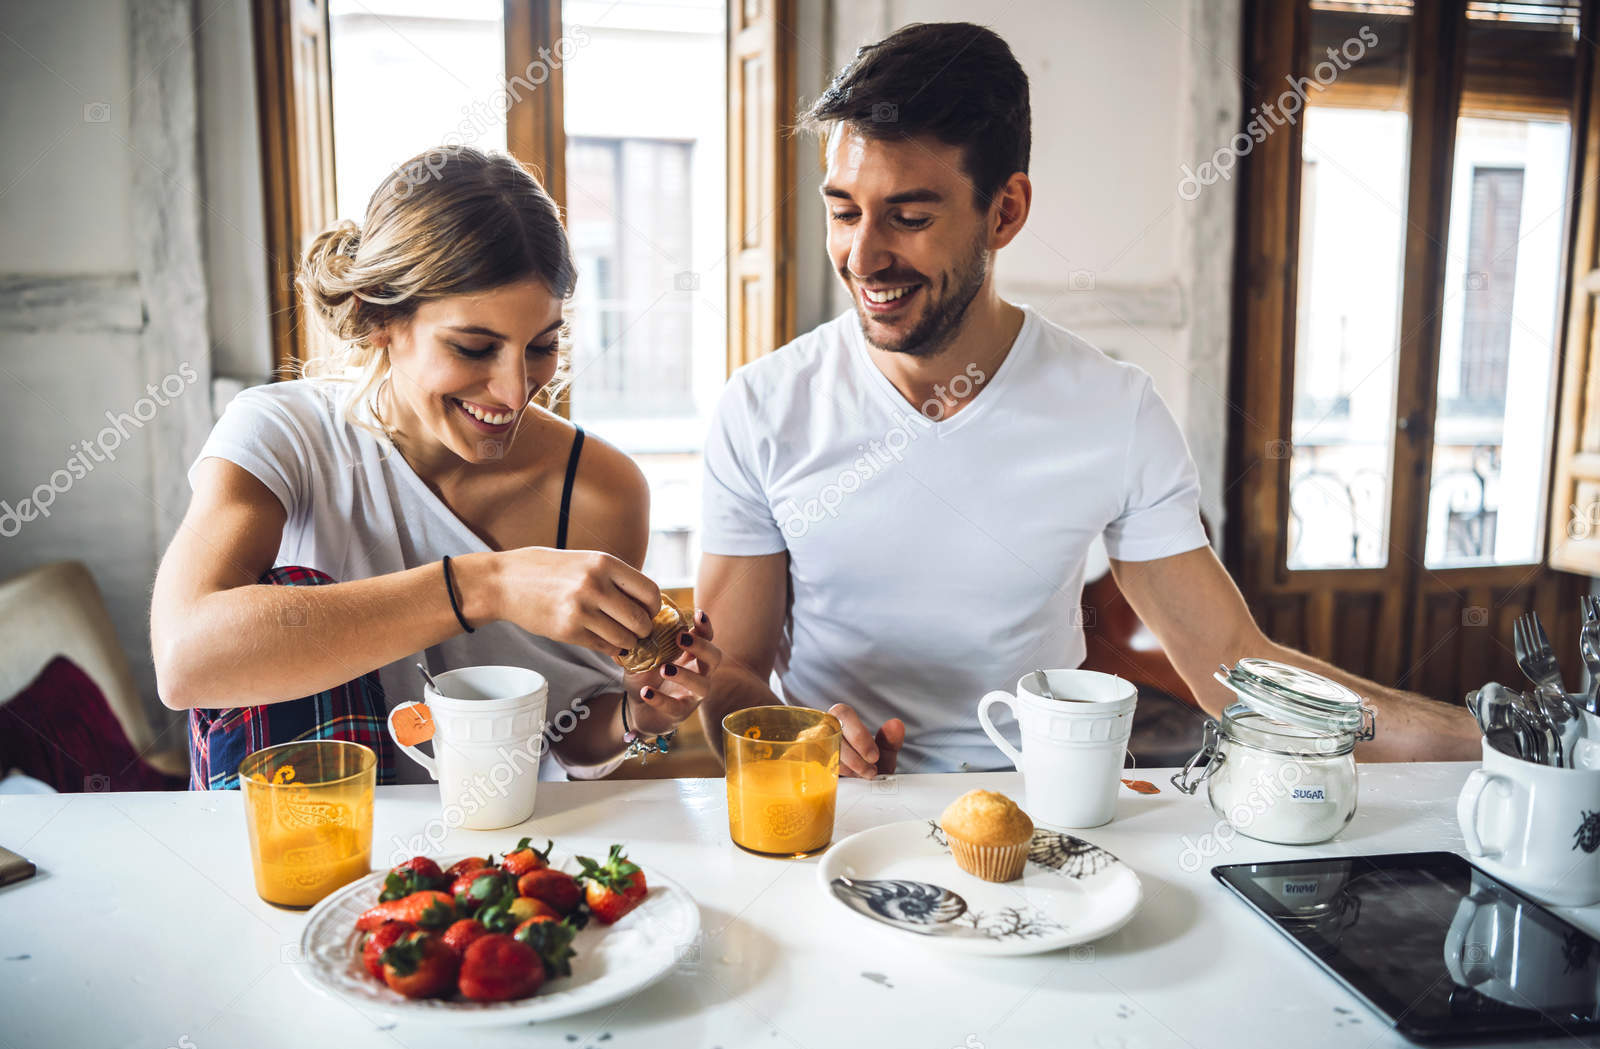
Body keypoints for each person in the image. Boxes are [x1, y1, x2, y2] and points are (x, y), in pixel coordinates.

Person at [696, 22, 1477, 777]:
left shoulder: (1115, 409)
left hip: (1048, 820)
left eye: (910, 217)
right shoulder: (763, 409)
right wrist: (798, 740)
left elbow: (1234, 671)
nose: (862, 256)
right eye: (843, 212)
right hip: (830, 815)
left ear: (1005, 211)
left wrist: (1481, 744)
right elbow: (730, 673)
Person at [152, 147, 720, 785]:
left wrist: (635, 719)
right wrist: (487, 586)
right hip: (318, 852)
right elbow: (185, 659)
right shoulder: (283, 436)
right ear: (377, 318)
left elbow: (566, 740)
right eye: (473, 347)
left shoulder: (601, 492)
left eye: (542, 346)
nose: (513, 391)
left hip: (503, 859)